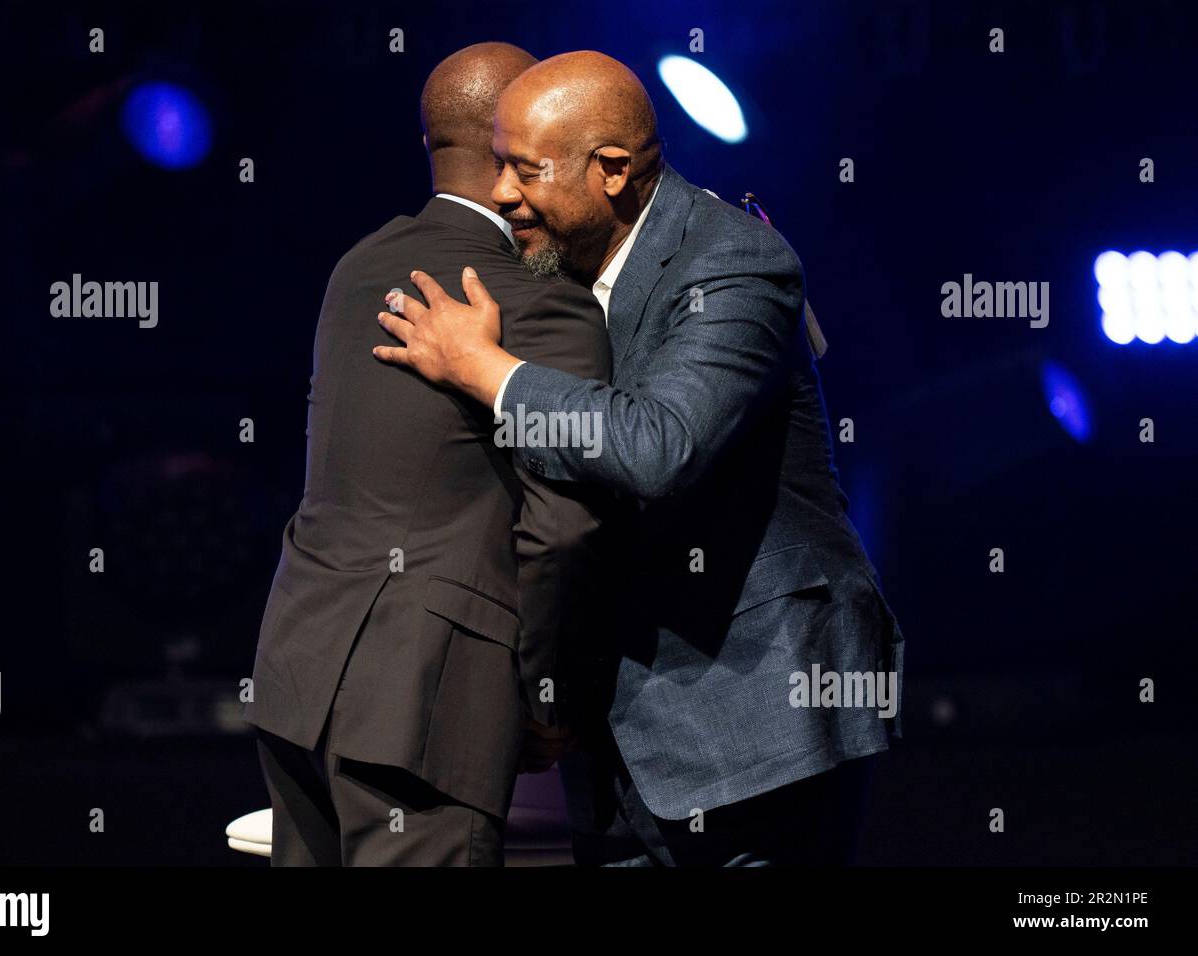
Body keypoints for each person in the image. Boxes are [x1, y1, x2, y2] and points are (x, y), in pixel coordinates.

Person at [374, 50, 905, 866]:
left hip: (756, 720)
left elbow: (659, 446)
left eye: (524, 170)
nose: (502, 192)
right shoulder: (552, 266)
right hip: (616, 743)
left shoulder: (736, 264)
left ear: (612, 172)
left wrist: (484, 369)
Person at [242, 42, 611, 866]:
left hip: (297, 676)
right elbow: (563, 533)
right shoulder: (541, 301)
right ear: (526, 140)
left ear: (429, 146)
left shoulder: (357, 265)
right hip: (423, 700)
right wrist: (549, 695)